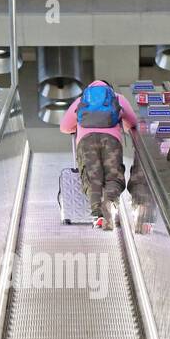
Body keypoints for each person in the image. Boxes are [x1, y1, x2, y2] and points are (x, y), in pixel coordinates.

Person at [59, 80, 139, 230]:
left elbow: (64, 127)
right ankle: (110, 203)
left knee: (92, 179)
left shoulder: (81, 100)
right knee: (114, 177)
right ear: (109, 88)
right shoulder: (118, 98)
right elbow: (133, 122)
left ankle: (98, 216)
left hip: (86, 142)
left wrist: (77, 127)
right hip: (111, 141)